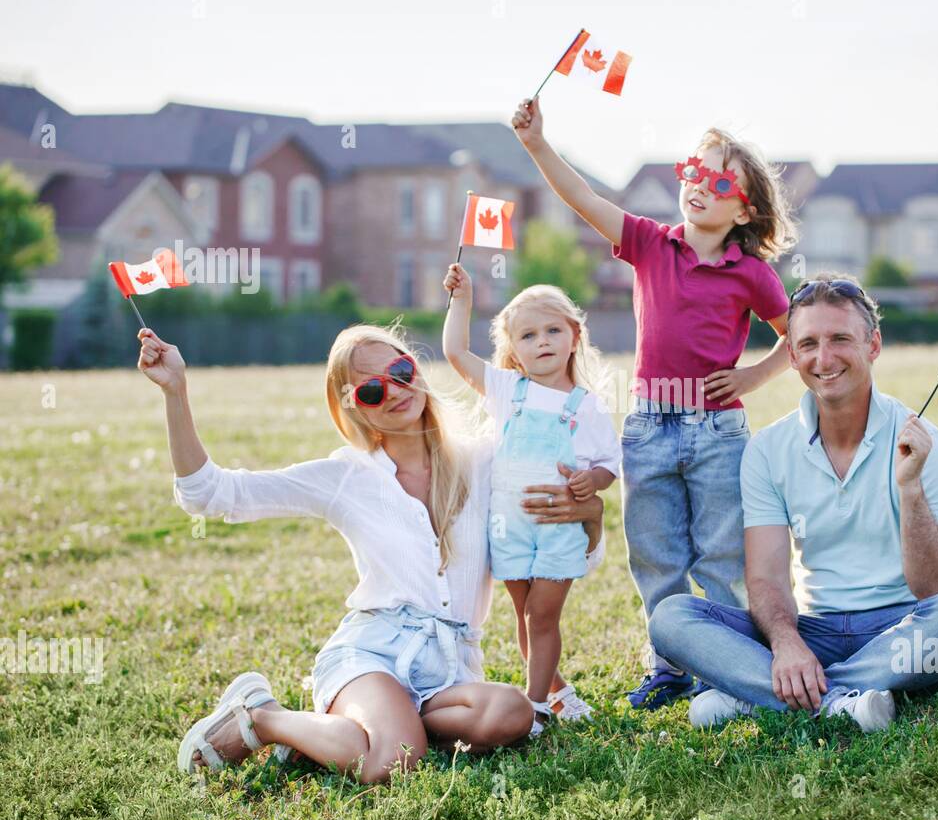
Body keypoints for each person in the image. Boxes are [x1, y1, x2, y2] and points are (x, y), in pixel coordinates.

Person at [136, 322, 607, 784]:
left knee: (512, 713)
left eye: (400, 372)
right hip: (372, 655)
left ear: (417, 371)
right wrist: (175, 392)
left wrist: (591, 512)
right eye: (371, 391)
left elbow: (565, 556)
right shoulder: (350, 476)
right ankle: (263, 716)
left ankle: (353, 734)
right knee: (393, 762)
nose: (395, 391)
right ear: (353, 409)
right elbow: (207, 493)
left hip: (449, 670)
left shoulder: (486, 460)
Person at [512, 96, 798, 710]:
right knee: (656, 554)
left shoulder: (751, 273)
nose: (699, 184)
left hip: (718, 429)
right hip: (648, 424)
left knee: (721, 555)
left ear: (743, 208)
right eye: (693, 170)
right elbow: (584, 199)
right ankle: (670, 665)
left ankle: (728, 671)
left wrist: (753, 378)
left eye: (720, 181)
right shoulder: (648, 242)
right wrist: (538, 144)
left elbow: (797, 338)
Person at [648, 274, 938, 732]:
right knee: (672, 616)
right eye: (808, 343)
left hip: (900, 628)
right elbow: (766, 574)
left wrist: (910, 488)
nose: (823, 358)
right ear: (791, 355)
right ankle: (843, 702)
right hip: (813, 629)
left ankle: (768, 696)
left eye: (840, 339)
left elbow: (937, 586)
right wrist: (787, 643)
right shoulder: (769, 449)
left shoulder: (926, 443)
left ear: (873, 344)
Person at [441, 266, 620, 732]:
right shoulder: (506, 391)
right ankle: (557, 691)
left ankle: (535, 704)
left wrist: (592, 481)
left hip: (558, 525)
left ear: (574, 336)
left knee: (543, 614)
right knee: (524, 616)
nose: (542, 341)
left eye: (553, 330)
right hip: (509, 524)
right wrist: (463, 300)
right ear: (514, 352)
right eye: (528, 335)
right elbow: (455, 351)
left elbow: (609, 465)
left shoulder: (586, 405)